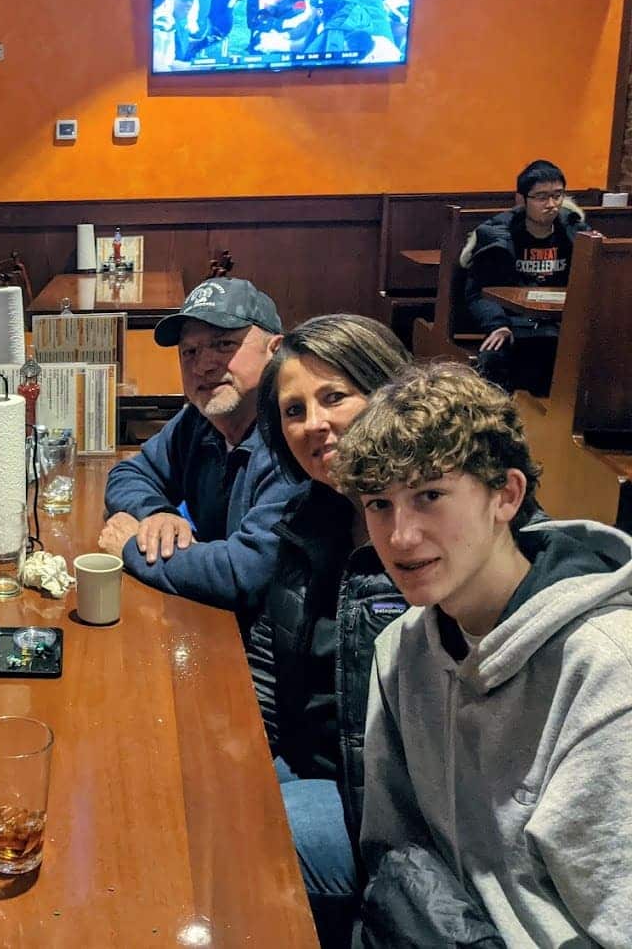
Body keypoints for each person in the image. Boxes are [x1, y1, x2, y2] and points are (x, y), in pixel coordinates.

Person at [332, 363, 632, 945]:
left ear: (507, 496)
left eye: (430, 496)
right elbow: (395, 847)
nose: (400, 537)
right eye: (379, 505)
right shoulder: (400, 647)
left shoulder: (606, 672)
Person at [254, 314, 412, 947]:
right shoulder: (311, 514)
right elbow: (268, 654)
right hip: (305, 764)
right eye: (293, 410)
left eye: (335, 396)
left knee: (234, 836)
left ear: (388, 392)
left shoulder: (423, 536)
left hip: (381, 811)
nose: (313, 424)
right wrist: (240, 757)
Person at [98, 279, 307, 711]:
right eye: (189, 353)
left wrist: (133, 548)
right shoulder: (199, 420)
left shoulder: (295, 441)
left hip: (280, 681)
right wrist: (157, 513)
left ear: (276, 350)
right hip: (215, 636)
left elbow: (243, 572)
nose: (203, 366)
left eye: (223, 344)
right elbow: (128, 475)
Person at [462, 159, 584, 395]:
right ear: (521, 200)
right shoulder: (497, 238)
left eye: (557, 195)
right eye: (541, 197)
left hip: (559, 325)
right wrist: (497, 325)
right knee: (494, 356)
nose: (551, 204)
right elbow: (478, 292)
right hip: (513, 323)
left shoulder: (576, 234)